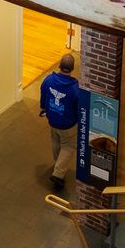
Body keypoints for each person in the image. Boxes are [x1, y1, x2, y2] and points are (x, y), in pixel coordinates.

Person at [39, 53, 80, 192]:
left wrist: (43, 107)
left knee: (55, 141)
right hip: (68, 124)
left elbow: (43, 93)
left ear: (60, 65)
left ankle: (58, 167)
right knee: (68, 146)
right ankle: (58, 173)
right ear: (72, 68)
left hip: (52, 120)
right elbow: (78, 107)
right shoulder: (75, 88)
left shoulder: (49, 80)